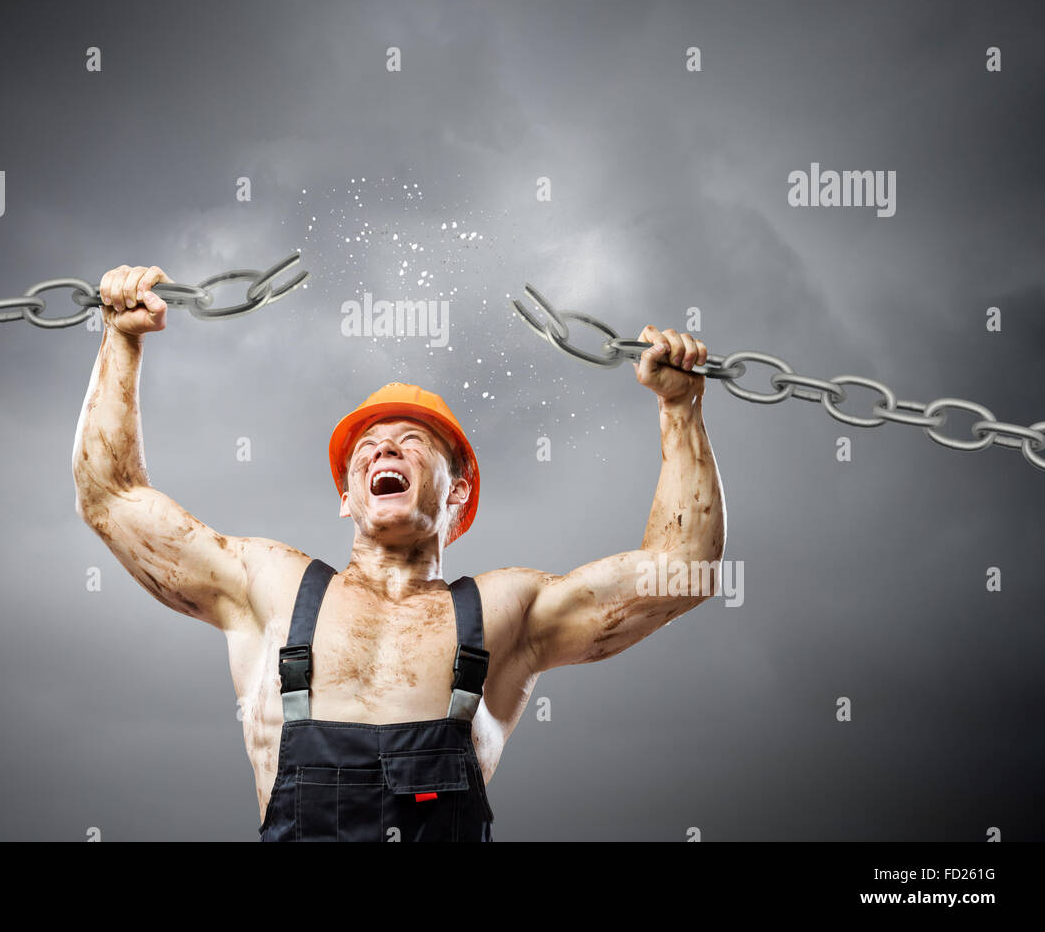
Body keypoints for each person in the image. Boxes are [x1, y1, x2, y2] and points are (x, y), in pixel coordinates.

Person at [73, 264, 726, 841]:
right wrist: (121, 339)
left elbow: (680, 570)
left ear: (458, 490)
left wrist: (680, 407)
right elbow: (111, 496)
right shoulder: (269, 584)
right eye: (367, 447)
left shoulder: (506, 610)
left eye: (410, 440)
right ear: (346, 497)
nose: (383, 450)